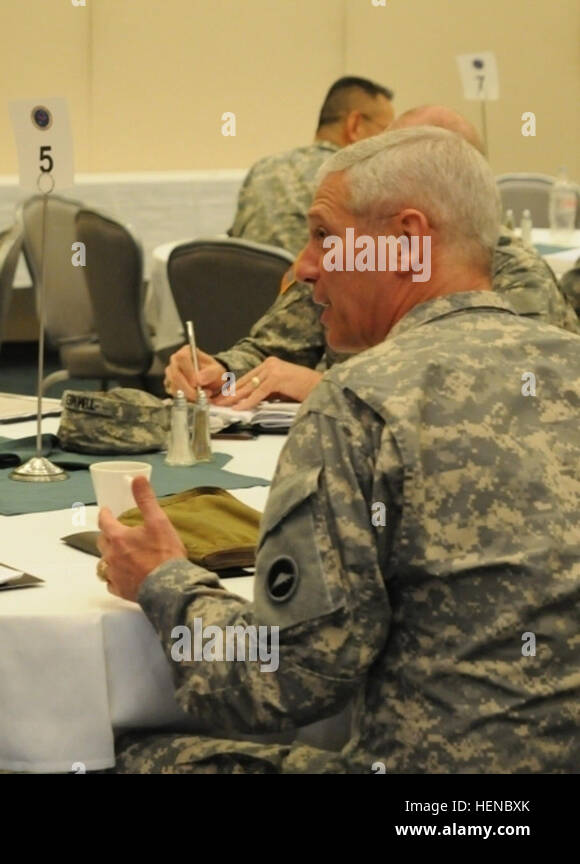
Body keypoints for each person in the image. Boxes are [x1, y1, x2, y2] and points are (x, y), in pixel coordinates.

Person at [102, 126, 580, 773]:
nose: (303, 264)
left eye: (325, 235)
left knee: (98, 751)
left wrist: (166, 581)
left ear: (408, 242)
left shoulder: (361, 402)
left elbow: (280, 681)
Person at [167, 105, 580, 410]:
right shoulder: (350, 259)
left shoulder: (510, 275)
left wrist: (322, 386)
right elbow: (270, 350)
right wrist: (218, 372)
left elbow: (511, 406)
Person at [229, 76, 394, 254]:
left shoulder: (263, 168)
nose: (388, 145)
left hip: (246, 280)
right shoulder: (354, 179)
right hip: (307, 280)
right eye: (387, 133)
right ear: (355, 126)